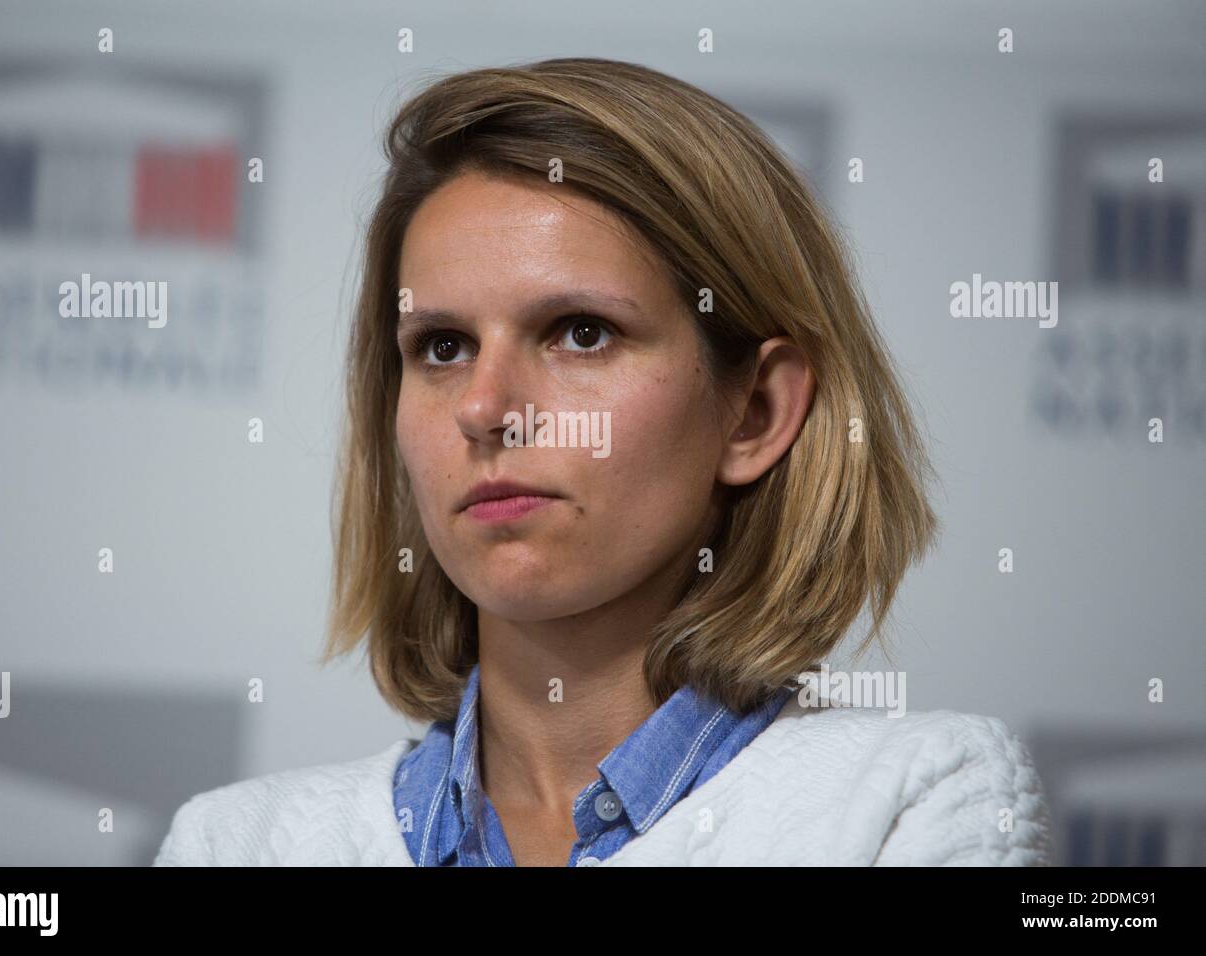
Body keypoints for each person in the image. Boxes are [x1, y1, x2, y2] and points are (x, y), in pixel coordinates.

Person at [153, 56, 1051, 866]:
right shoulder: (237, 846)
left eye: (580, 333)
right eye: (441, 347)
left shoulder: (913, 802)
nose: (483, 408)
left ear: (758, 411)